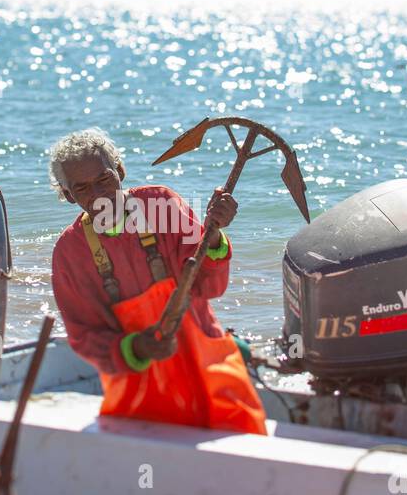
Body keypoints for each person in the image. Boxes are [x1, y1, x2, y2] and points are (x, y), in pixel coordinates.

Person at [49, 128, 267, 434]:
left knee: (243, 457)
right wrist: (136, 348)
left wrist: (214, 234)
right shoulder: (70, 253)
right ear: (68, 195)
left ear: (120, 171)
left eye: (104, 179)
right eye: (82, 188)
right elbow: (84, 336)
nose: (97, 195)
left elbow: (209, 286)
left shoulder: (162, 204)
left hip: (210, 371)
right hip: (138, 396)